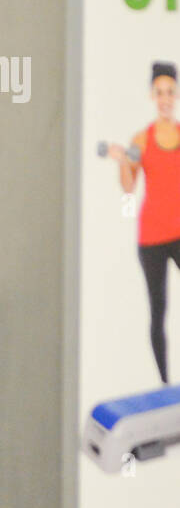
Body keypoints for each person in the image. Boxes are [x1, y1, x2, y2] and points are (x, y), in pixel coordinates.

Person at [109, 61, 180, 383]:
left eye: (170, 92)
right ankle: (165, 384)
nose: (165, 98)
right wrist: (124, 160)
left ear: (175, 95)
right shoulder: (141, 138)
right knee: (158, 311)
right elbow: (128, 187)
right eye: (160, 92)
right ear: (152, 95)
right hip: (151, 238)